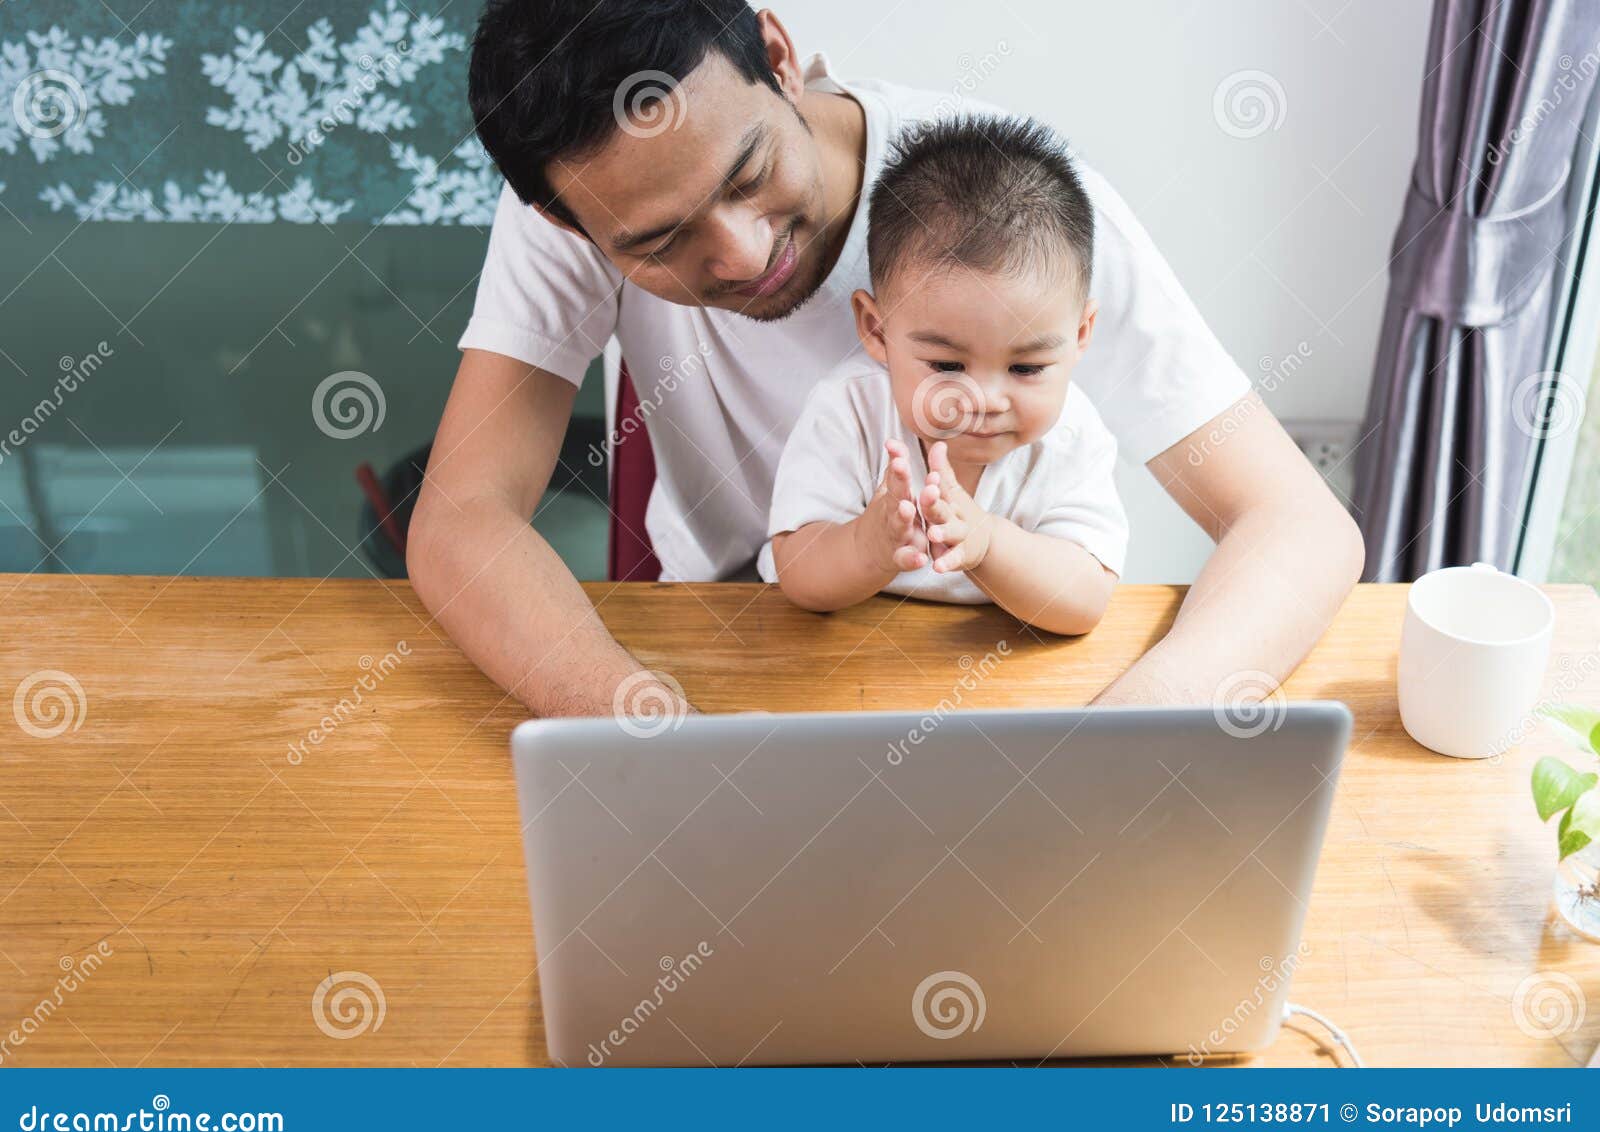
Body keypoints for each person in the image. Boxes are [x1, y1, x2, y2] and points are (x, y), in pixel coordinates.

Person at [407, 0, 1365, 717]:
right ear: (564, 223)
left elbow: (1297, 525)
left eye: (748, 173)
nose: (743, 254)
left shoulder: (1013, 212)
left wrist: (1135, 733)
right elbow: (461, 520)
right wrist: (638, 723)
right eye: (660, 242)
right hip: (727, 642)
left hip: (1007, 654)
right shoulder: (584, 199)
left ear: (779, 58)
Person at [763, 115, 1125, 637]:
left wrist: (987, 542)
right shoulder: (850, 410)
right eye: (948, 365)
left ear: (1080, 334)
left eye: (1026, 367)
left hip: (994, 662)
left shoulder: (1073, 436)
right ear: (877, 330)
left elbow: (1084, 602)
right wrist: (869, 545)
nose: (984, 398)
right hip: (845, 650)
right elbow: (798, 575)